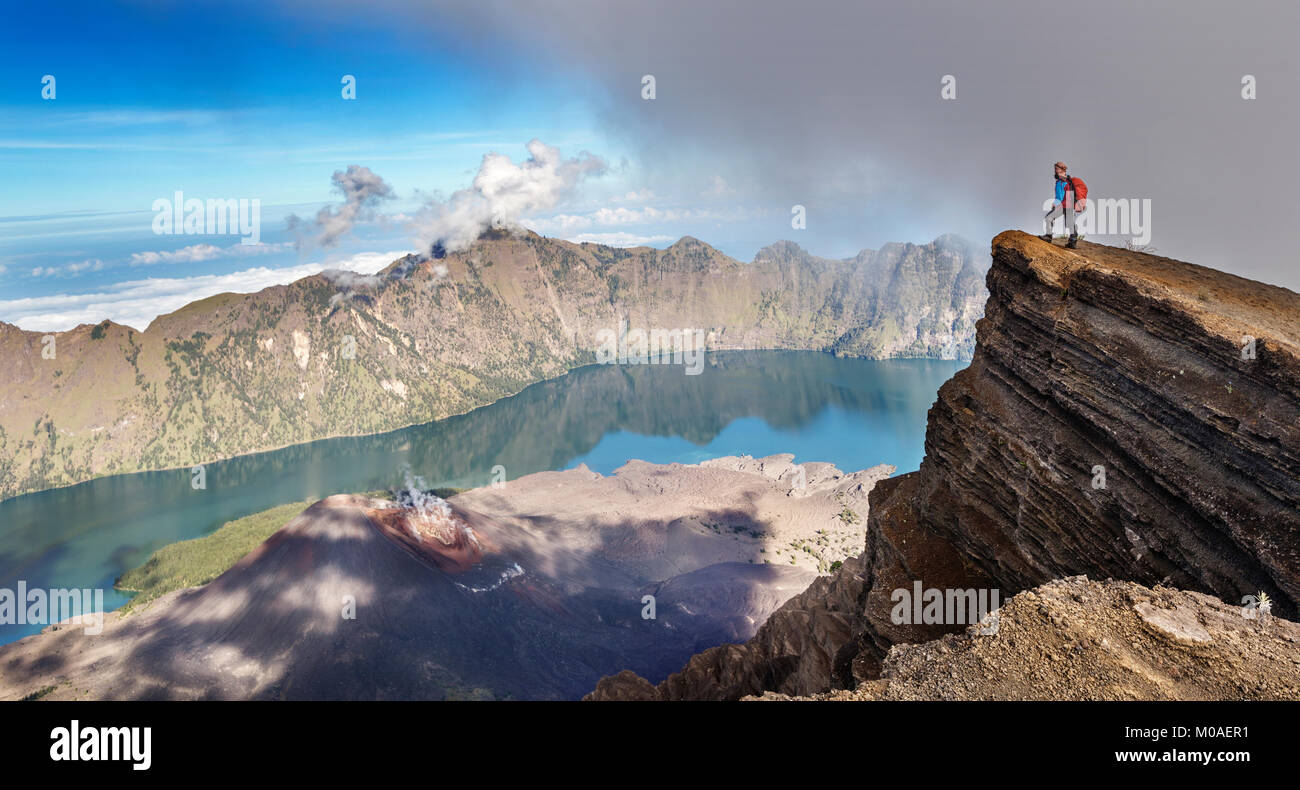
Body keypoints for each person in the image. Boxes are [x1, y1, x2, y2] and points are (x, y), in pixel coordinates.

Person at [1040, 161, 1087, 248]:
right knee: (1050, 218)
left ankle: (1071, 241)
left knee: (1067, 222)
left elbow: (1066, 192)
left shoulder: (1066, 180)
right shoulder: (1058, 182)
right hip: (1062, 204)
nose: (1055, 170)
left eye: (1057, 169)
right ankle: (1049, 237)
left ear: (1062, 169)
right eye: (1055, 169)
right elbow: (1059, 194)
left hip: (1067, 203)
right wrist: (1056, 202)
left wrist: (1058, 203)